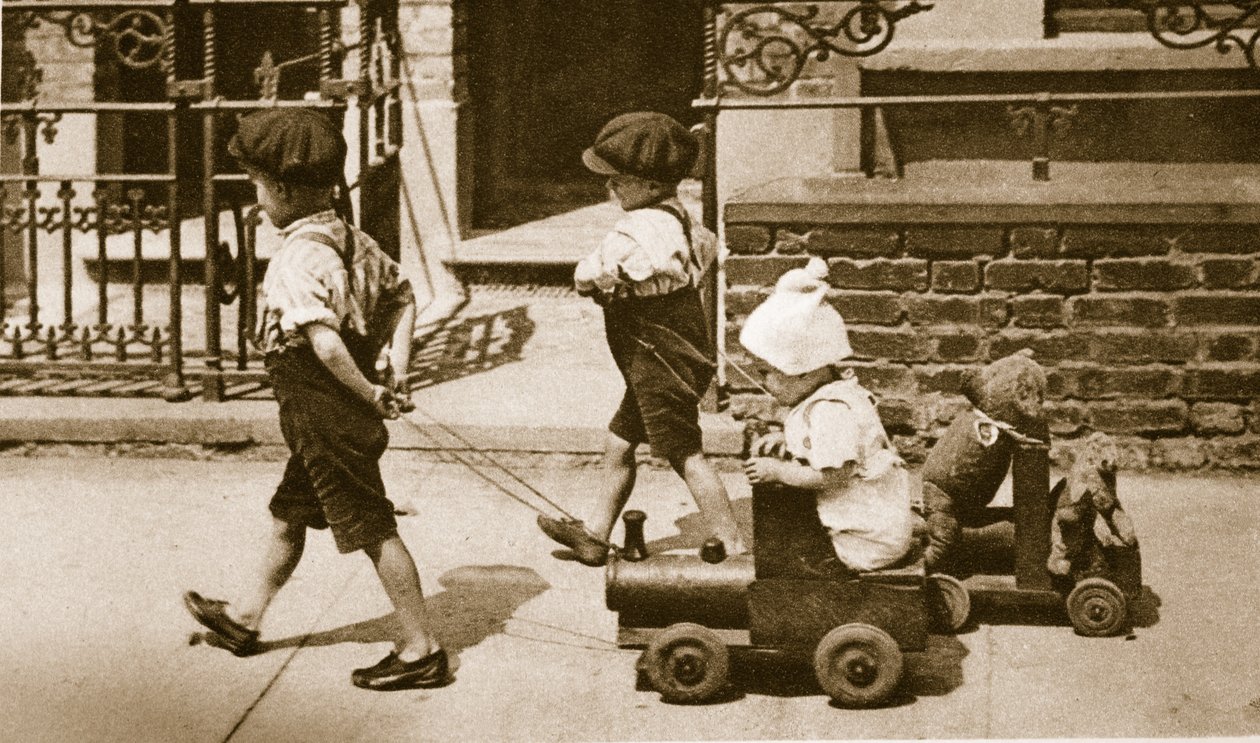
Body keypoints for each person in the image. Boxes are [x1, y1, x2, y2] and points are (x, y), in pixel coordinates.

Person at [183, 108, 448, 691]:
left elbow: (325, 347)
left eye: (256, 186)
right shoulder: (352, 240)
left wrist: (373, 392)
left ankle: (420, 647)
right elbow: (405, 297)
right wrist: (395, 369)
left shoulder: (296, 259)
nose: (257, 201)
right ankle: (244, 617)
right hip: (327, 417)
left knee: (374, 528)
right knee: (289, 514)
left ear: (278, 188)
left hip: (326, 414)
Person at [536, 112, 747, 566]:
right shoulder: (679, 220)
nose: (609, 190)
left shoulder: (640, 229)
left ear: (651, 186)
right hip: (660, 354)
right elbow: (692, 262)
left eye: (618, 182)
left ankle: (733, 545)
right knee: (619, 443)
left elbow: (590, 274)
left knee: (686, 453)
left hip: (657, 357)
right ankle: (594, 535)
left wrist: (599, 281)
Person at [740, 257, 917, 573]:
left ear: (803, 372)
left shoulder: (830, 411)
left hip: (863, 544)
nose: (762, 381)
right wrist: (788, 438)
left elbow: (833, 477)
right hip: (875, 531)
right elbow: (821, 443)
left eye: (766, 372)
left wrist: (778, 472)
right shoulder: (834, 390)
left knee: (784, 526)